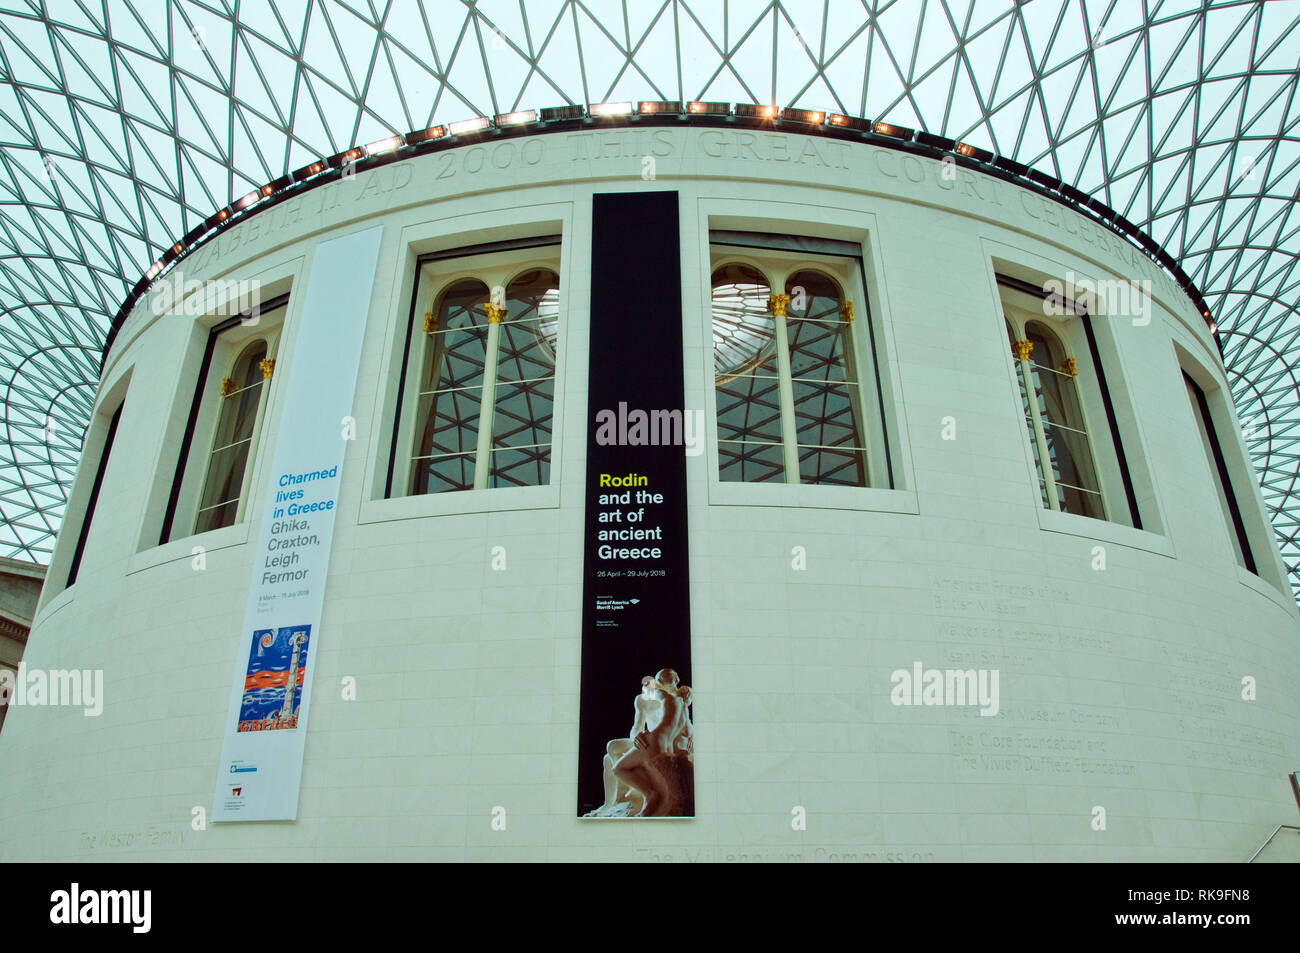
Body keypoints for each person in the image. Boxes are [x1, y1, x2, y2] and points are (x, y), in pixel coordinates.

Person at [614, 668, 690, 816]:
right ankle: (649, 797)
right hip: (665, 746)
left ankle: (649, 793)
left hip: (652, 741)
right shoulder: (680, 703)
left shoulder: (658, 695)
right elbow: (688, 730)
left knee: (618, 768)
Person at [596, 676, 661, 813]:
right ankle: (610, 802)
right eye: (646, 685)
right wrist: (636, 736)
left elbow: (680, 722)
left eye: (652, 685)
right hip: (646, 739)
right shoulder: (642, 700)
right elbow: (637, 725)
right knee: (612, 747)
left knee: (608, 759)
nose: (648, 688)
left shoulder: (667, 700)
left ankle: (628, 789)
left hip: (659, 743)